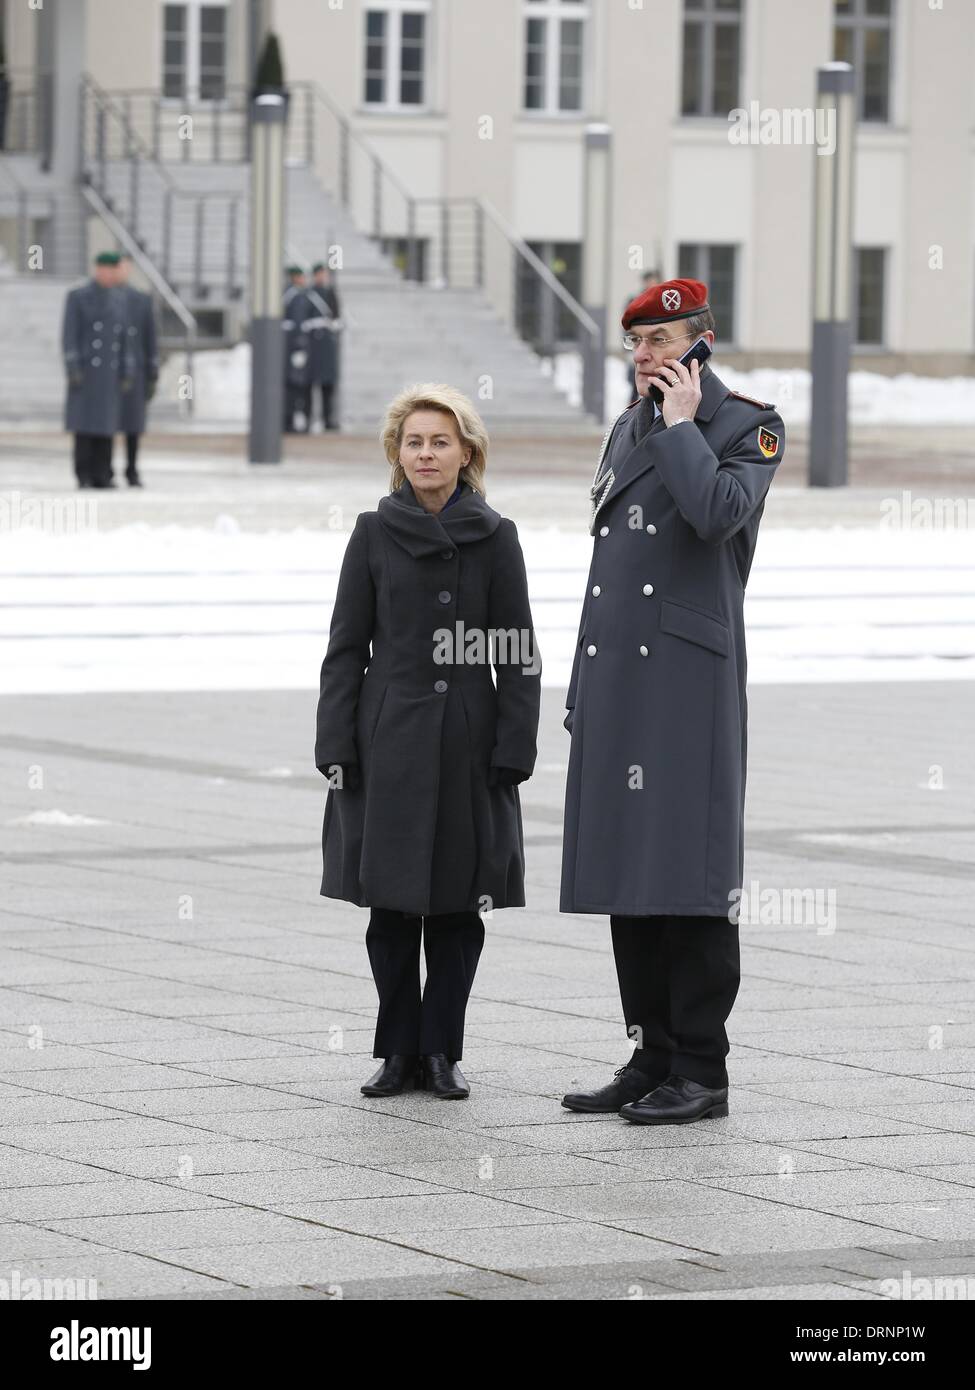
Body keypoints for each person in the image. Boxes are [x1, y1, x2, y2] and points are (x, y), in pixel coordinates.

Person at [560, 277, 785, 1125]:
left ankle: (702, 1068)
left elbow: (716, 512)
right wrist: (584, 682)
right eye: (636, 344)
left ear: (701, 343)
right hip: (620, 679)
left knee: (689, 879)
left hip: (688, 685)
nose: (644, 358)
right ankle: (650, 1052)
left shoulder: (746, 424)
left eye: (659, 342)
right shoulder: (627, 424)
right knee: (629, 872)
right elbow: (604, 569)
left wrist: (685, 428)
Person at [314, 384, 541, 1100]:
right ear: (396, 452)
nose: (425, 453)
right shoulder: (372, 532)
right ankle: (396, 1050)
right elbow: (346, 647)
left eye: (440, 441)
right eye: (413, 441)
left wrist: (514, 745)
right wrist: (335, 744)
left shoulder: (496, 534)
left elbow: (517, 651)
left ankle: (442, 1049)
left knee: (455, 904)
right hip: (388, 739)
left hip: (468, 743)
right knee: (388, 903)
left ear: (466, 452)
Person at [61, 251, 132, 489]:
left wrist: (126, 368)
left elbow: (123, 340)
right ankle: (83, 474)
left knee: (106, 425)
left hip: (109, 373)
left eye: (114, 270)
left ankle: (103, 474)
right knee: (84, 425)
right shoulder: (78, 297)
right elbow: (69, 334)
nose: (111, 275)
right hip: (86, 371)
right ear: (99, 269)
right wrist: (72, 365)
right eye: (108, 270)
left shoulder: (119, 299)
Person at [114, 253, 159, 488]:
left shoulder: (141, 300)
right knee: (107, 423)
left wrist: (153, 369)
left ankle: (132, 469)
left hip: (136, 372)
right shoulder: (106, 297)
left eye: (124, 267)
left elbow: (150, 337)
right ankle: (106, 469)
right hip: (113, 372)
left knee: (134, 426)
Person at [306, 263, 342, 431]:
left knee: (328, 385)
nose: (322, 277)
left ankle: (328, 419)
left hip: (328, 345)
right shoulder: (309, 294)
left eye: (324, 274)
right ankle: (308, 418)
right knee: (309, 384)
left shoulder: (330, 292)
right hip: (313, 345)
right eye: (320, 274)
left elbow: (336, 315)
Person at [282, 266, 314, 432]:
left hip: (286, 347)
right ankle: (291, 422)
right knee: (295, 387)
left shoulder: (286, 294)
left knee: (290, 386)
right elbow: (298, 323)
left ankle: (288, 421)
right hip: (294, 347)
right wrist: (300, 347)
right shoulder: (296, 297)